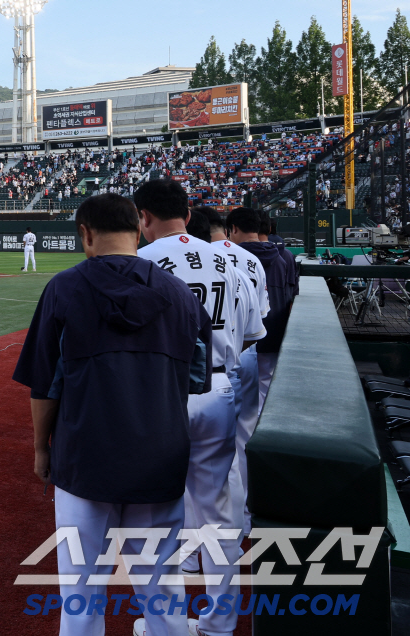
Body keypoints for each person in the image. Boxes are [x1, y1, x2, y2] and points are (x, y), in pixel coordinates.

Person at [14, 192, 212, 636]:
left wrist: (40, 450)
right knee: (162, 593)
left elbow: (45, 386)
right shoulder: (178, 294)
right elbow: (197, 379)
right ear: (138, 229)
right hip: (160, 456)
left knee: (81, 594)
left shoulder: (63, 289)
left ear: (85, 233)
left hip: (85, 458)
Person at [135, 181, 263, 636]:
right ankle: (218, 625)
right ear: (188, 214)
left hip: (162, 394)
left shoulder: (141, 261)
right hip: (220, 388)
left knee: (155, 514)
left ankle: (164, 625)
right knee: (219, 513)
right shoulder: (231, 258)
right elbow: (251, 335)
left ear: (142, 217)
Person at [195, 205, 267, 535]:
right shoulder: (245, 262)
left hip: (195, 373)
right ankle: (243, 526)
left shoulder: (199, 258)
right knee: (236, 454)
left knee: (187, 470)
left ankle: (190, 556)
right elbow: (257, 327)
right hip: (239, 360)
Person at [226, 207, 297, 412]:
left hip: (240, 333)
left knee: (237, 394)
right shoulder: (282, 257)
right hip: (272, 329)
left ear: (233, 228)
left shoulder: (229, 258)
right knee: (266, 389)